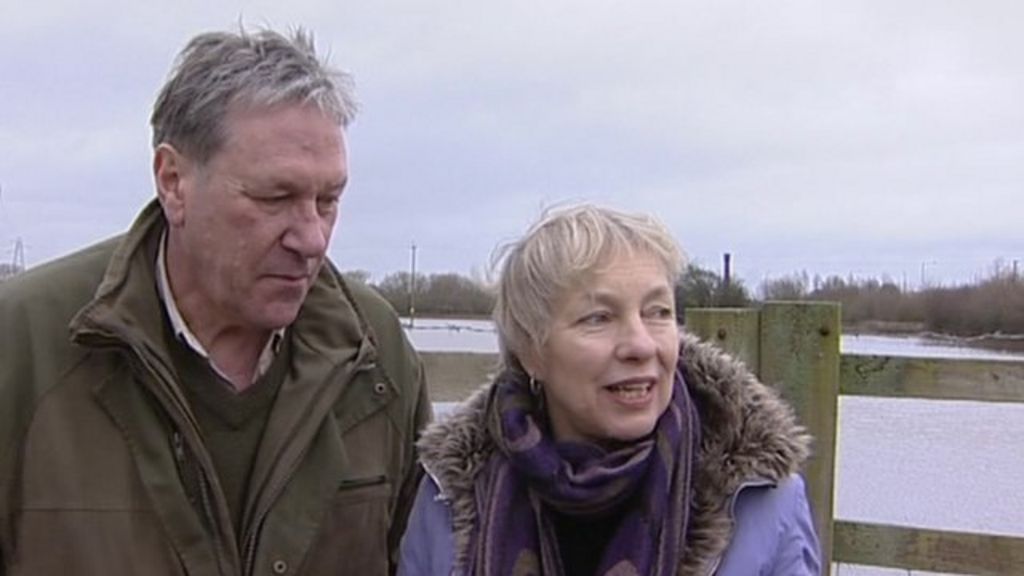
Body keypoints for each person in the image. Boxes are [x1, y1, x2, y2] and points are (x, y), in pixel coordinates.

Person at [0, 27, 430, 575]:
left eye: (328, 200)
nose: (313, 238)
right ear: (173, 181)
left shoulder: (375, 350)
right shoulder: (22, 345)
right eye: (275, 198)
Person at [398, 204, 820, 575]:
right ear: (531, 351)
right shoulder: (447, 496)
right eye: (598, 318)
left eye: (658, 312)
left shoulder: (761, 498)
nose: (640, 344)